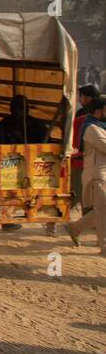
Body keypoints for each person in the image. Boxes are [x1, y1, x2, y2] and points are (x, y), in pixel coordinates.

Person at [67, 97, 105, 254]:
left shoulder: (101, 126)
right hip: (98, 174)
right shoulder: (91, 128)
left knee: (102, 209)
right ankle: (104, 246)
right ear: (97, 111)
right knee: (103, 209)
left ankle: (75, 228)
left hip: (103, 173)